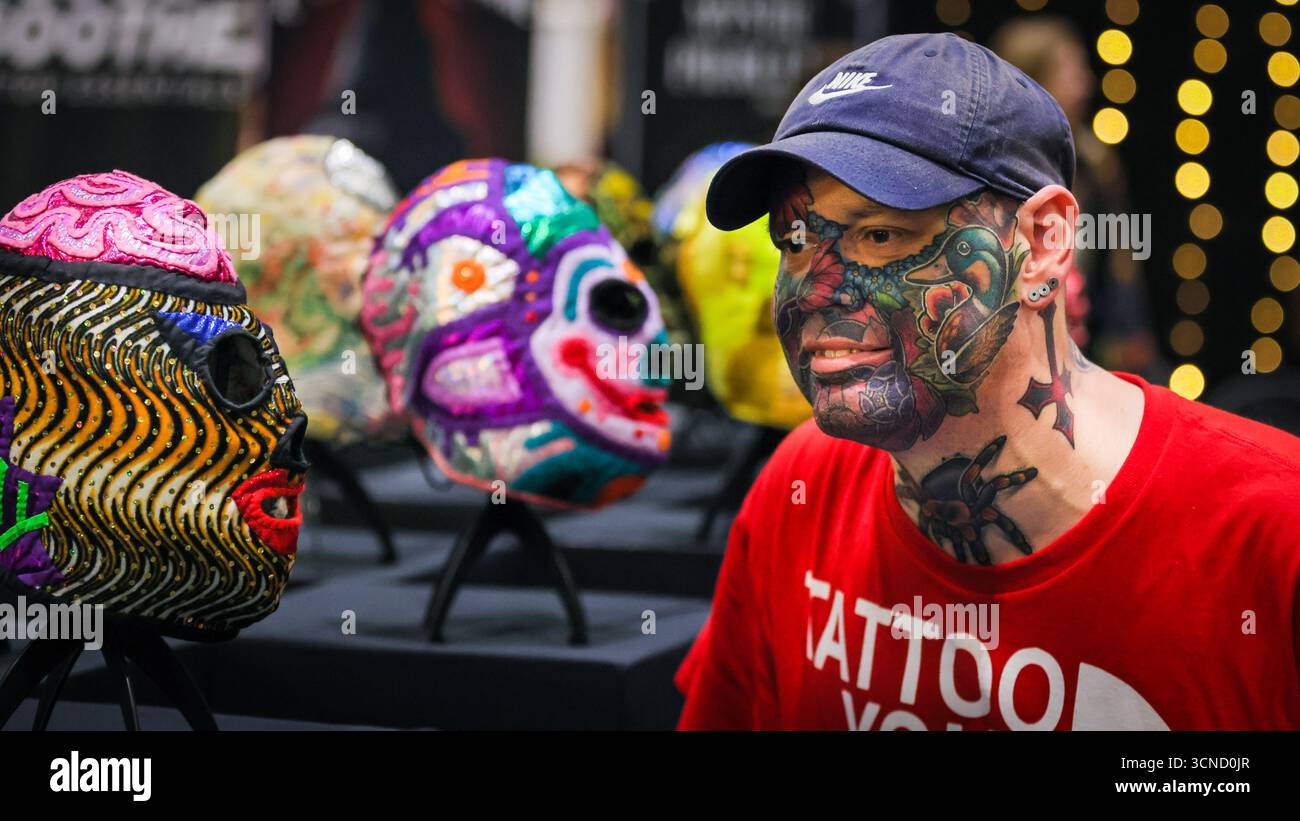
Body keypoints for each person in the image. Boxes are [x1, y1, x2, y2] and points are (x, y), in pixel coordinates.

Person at [675, 32, 1300, 730]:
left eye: (880, 234)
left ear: (1043, 244)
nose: (818, 288)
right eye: (794, 241)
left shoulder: (1271, 531)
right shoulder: (801, 491)